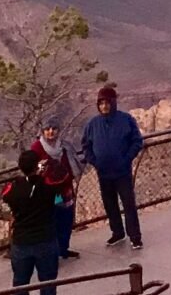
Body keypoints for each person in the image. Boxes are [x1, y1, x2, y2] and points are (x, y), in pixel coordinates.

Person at [2, 150, 61, 295]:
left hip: (21, 243)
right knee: (47, 281)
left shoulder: (12, 189)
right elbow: (59, 201)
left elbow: (5, 196)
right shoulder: (49, 188)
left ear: (20, 167)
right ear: (37, 166)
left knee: (20, 282)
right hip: (45, 239)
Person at [81, 84, 144, 250]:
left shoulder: (126, 120)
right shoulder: (92, 124)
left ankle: (135, 236)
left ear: (113, 102)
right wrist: (94, 161)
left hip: (122, 172)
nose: (104, 106)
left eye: (107, 103)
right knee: (110, 205)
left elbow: (137, 141)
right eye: (101, 103)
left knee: (128, 204)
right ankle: (117, 233)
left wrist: (127, 158)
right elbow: (86, 146)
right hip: (104, 173)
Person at [30, 119, 82, 260]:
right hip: (49, 192)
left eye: (54, 128)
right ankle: (52, 252)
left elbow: (73, 163)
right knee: (52, 220)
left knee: (66, 218)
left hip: (65, 189)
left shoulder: (64, 146)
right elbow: (35, 171)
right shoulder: (37, 148)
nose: (50, 132)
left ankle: (63, 248)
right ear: (42, 131)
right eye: (47, 129)